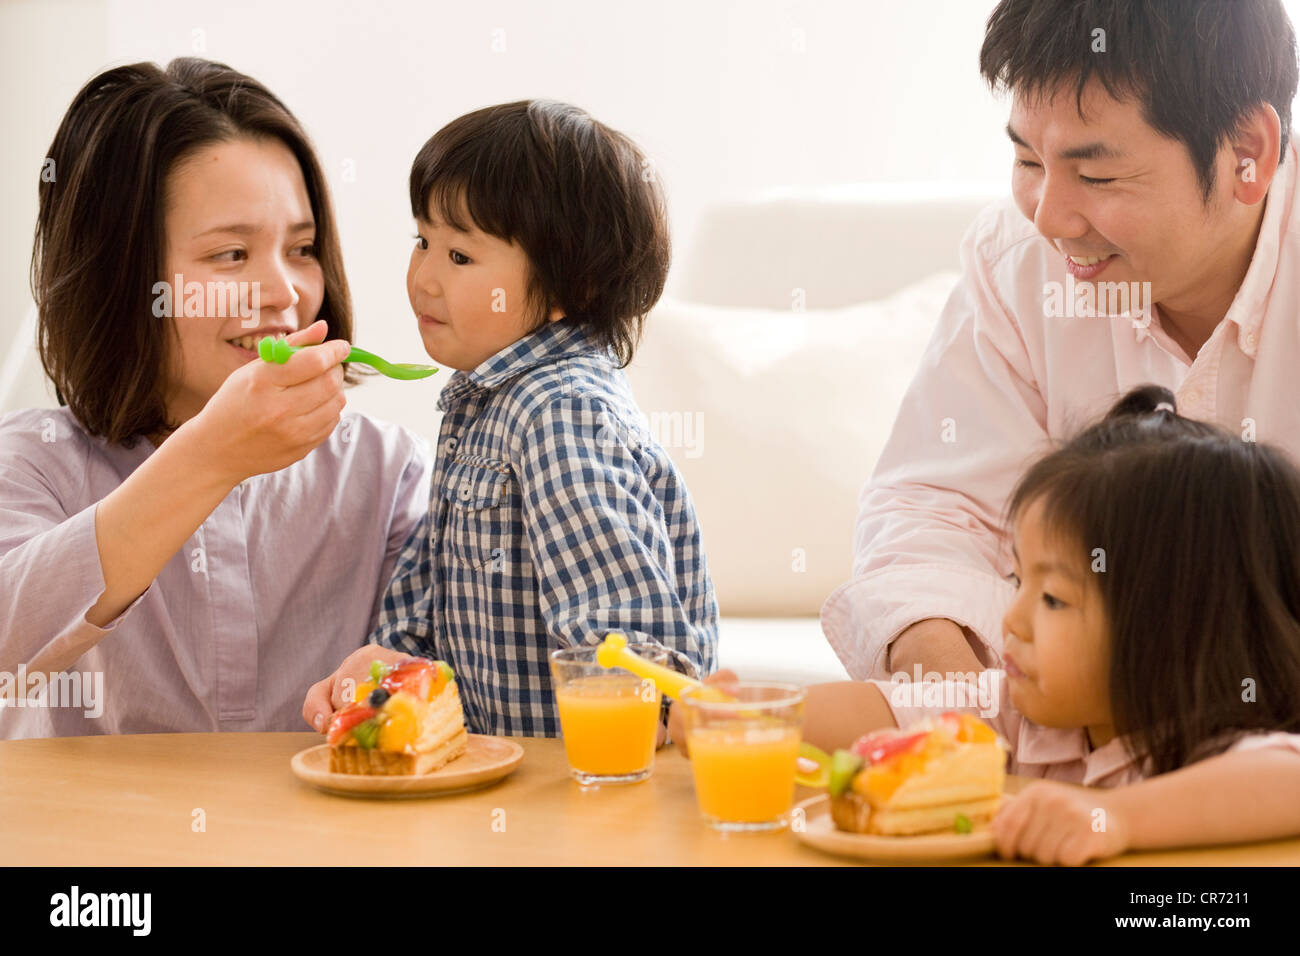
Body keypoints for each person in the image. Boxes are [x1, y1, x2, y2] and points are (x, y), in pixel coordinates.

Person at [823, 0, 1300, 683]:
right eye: (1027, 160)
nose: (1048, 219)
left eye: (1097, 176)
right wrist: (957, 717)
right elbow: (934, 516)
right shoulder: (1017, 264)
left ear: (1247, 155)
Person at [678, 385, 1300, 865]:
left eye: (1052, 599)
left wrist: (1115, 819)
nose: (1012, 619)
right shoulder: (1013, 713)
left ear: (1168, 627)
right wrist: (742, 718)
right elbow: (875, 715)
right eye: (1017, 580)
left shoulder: (1219, 746)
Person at [0, 58, 430, 736]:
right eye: (231, 255)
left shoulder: (386, 472)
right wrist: (209, 458)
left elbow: (454, 671)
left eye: (303, 248)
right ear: (122, 276)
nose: (285, 293)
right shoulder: (33, 464)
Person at [303, 101, 718, 738]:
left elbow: (630, 657)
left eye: (460, 257)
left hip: (571, 777)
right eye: (423, 242)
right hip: (502, 768)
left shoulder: (559, 414)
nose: (423, 279)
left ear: (572, 287)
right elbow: (434, 587)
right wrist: (390, 666)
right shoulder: (484, 405)